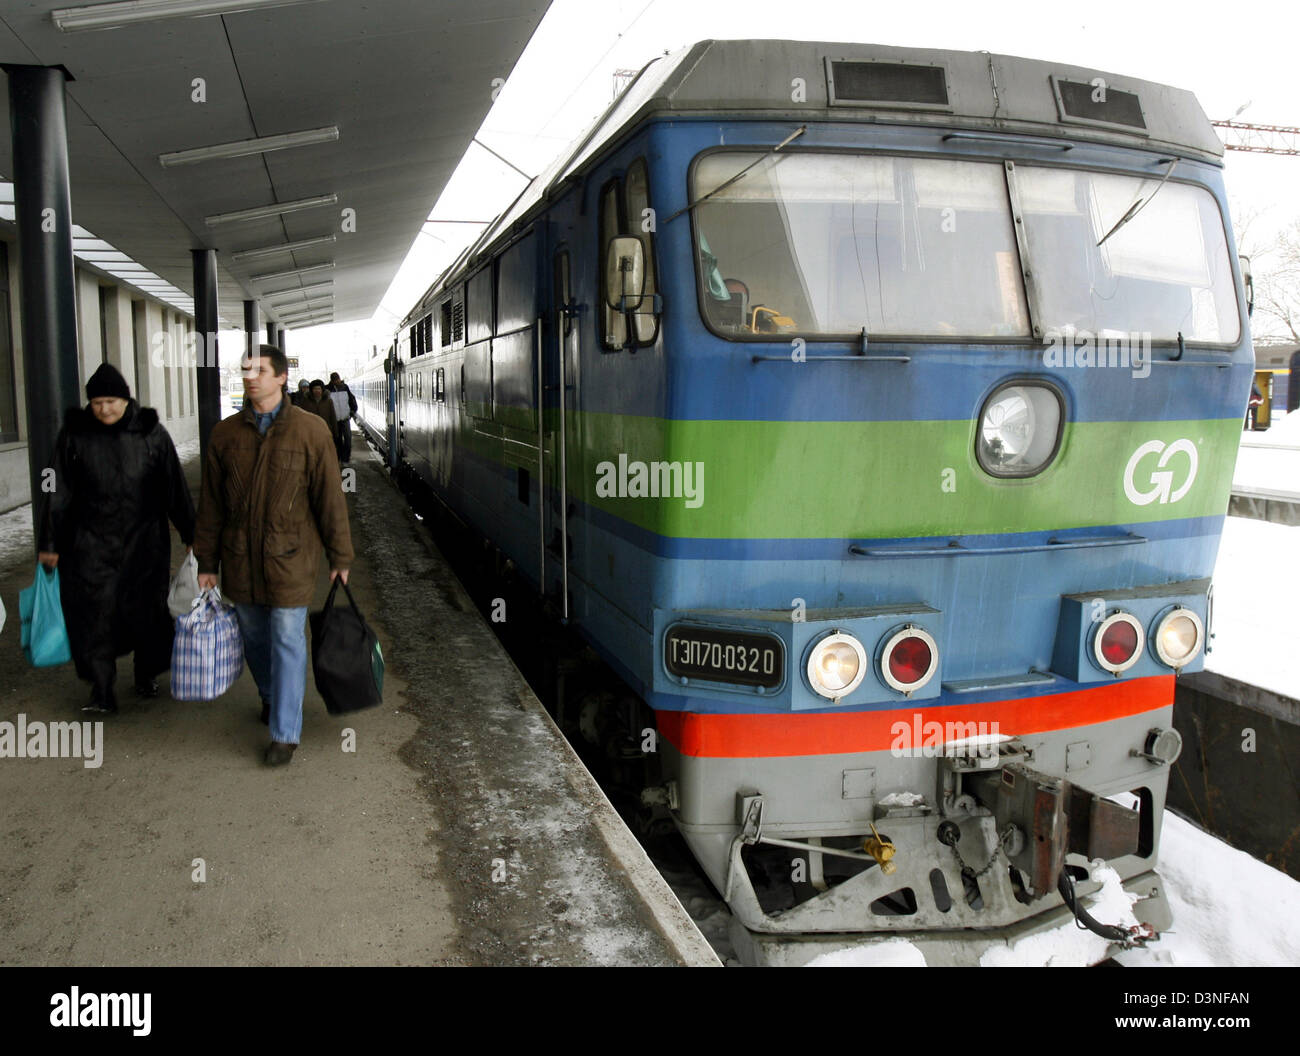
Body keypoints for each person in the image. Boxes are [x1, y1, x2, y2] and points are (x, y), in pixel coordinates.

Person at [193, 346, 354, 766]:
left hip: (292, 557)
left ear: (282, 378)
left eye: (260, 370)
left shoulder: (312, 431)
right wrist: (206, 563)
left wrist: (340, 556)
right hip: (241, 558)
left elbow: (330, 500)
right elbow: (210, 505)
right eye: (246, 370)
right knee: (254, 638)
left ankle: (285, 732)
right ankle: (268, 694)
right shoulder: (225, 435)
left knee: (286, 639)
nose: (251, 377)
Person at [37, 363, 195, 713]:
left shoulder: (151, 434)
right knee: (94, 617)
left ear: (126, 400)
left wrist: (191, 532)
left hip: (145, 545)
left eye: (111, 401)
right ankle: (102, 690)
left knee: (146, 613)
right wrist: (48, 543)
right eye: (96, 403)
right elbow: (56, 490)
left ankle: (146, 673)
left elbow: (174, 486)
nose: (104, 409)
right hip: (89, 547)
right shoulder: (74, 436)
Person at [327, 372, 358, 463]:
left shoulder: (345, 387)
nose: (337, 381)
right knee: (338, 440)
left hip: (345, 418)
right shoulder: (328, 390)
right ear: (332, 381)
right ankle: (339, 458)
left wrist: (352, 411)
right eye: (335, 380)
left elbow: (352, 399)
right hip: (335, 420)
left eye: (338, 379)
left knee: (348, 440)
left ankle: (346, 459)